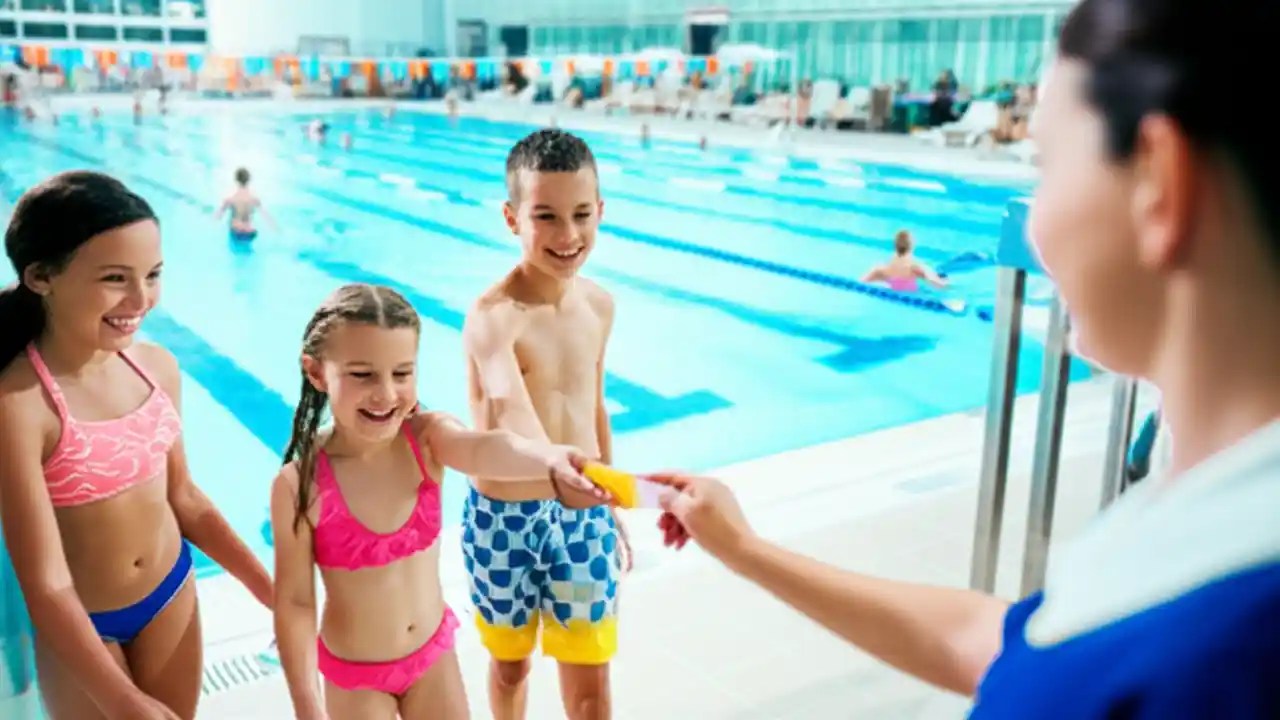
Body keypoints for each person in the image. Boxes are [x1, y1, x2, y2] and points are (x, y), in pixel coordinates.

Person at [652, 0, 1280, 715]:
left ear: (1160, 188)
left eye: (1046, 167)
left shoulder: (1217, 657)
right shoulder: (1208, 523)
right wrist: (745, 550)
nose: (1033, 230)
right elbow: (1002, 643)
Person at [0, 171, 273, 720]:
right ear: (40, 276)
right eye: (114, 278)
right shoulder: (20, 403)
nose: (141, 297)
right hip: (81, 622)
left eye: (153, 274)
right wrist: (124, 702)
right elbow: (46, 582)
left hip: (171, 593)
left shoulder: (155, 368)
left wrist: (272, 591)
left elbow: (186, 498)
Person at [270, 283, 607, 720]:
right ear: (316, 372)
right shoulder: (301, 484)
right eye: (362, 375)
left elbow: (486, 448)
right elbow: (295, 602)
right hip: (356, 675)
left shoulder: (425, 441)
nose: (386, 393)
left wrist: (549, 458)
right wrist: (305, 704)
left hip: (431, 659)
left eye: (402, 373)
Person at [461, 128, 629, 720]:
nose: (569, 235)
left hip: (583, 516)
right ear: (512, 218)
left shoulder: (601, 305)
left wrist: (607, 500)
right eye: (547, 217)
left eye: (582, 214)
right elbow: (510, 405)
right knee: (512, 667)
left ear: (600, 211)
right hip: (504, 520)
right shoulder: (493, 316)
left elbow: (595, 405)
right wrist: (557, 463)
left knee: (592, 688)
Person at [861, 230, 947, 292]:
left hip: (893, 293)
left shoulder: (887, 266)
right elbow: (938, 285)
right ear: (912, 246)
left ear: (895, 246)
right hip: (911, 297)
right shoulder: (914, 266)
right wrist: (944, 281)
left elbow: (862, 282)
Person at [214, 168, 275, 244]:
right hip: (250, 232)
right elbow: (268, 218)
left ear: (236, 180)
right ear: (249, 180)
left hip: (236, 232)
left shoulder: (230, 200)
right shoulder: (255, 200)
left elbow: (217, 217)